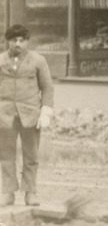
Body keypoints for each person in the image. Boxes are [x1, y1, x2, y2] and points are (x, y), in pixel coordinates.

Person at [0, 24, 53, 207]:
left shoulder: (38, 61)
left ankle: (30, 193)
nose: (18, 44)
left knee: (31, 156)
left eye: (22, 40)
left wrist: (46, 110)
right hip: (5, 116)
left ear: (27, 42)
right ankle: (8, 193)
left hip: (30, 115)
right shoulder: (0, 61)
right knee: (6, 156)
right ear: (8, 42)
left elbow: (47, 87)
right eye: (14, 40)